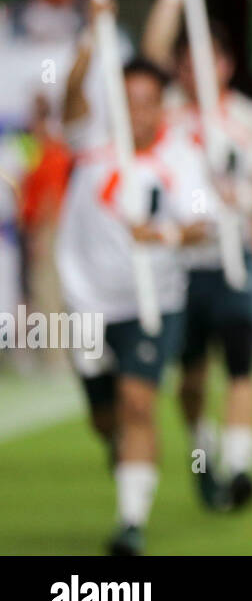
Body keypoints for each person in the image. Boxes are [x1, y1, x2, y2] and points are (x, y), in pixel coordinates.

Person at [57, 44, 213, 555]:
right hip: (82, 305)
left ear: (161, 106)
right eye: (128, 101)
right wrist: (85, 48)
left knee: (137, 403)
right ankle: (124, 457)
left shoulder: (180, 157)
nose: (138, 112)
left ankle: (130, 523)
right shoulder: (92, 142)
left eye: (148, 101)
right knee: (106, 420)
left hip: (150, 302)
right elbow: (70, 99)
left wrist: (162, 235)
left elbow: (199, 222)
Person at [143, 0, 252, 511]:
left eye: (208, 61)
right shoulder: (168, 115)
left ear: (226, 64)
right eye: (188, 62)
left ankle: (240, 466)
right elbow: (148, 61)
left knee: (242, 363)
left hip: (233, 259)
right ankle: (203, 451)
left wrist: (242, 195)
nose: (196, 71)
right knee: (191, 377)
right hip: (180, 265)